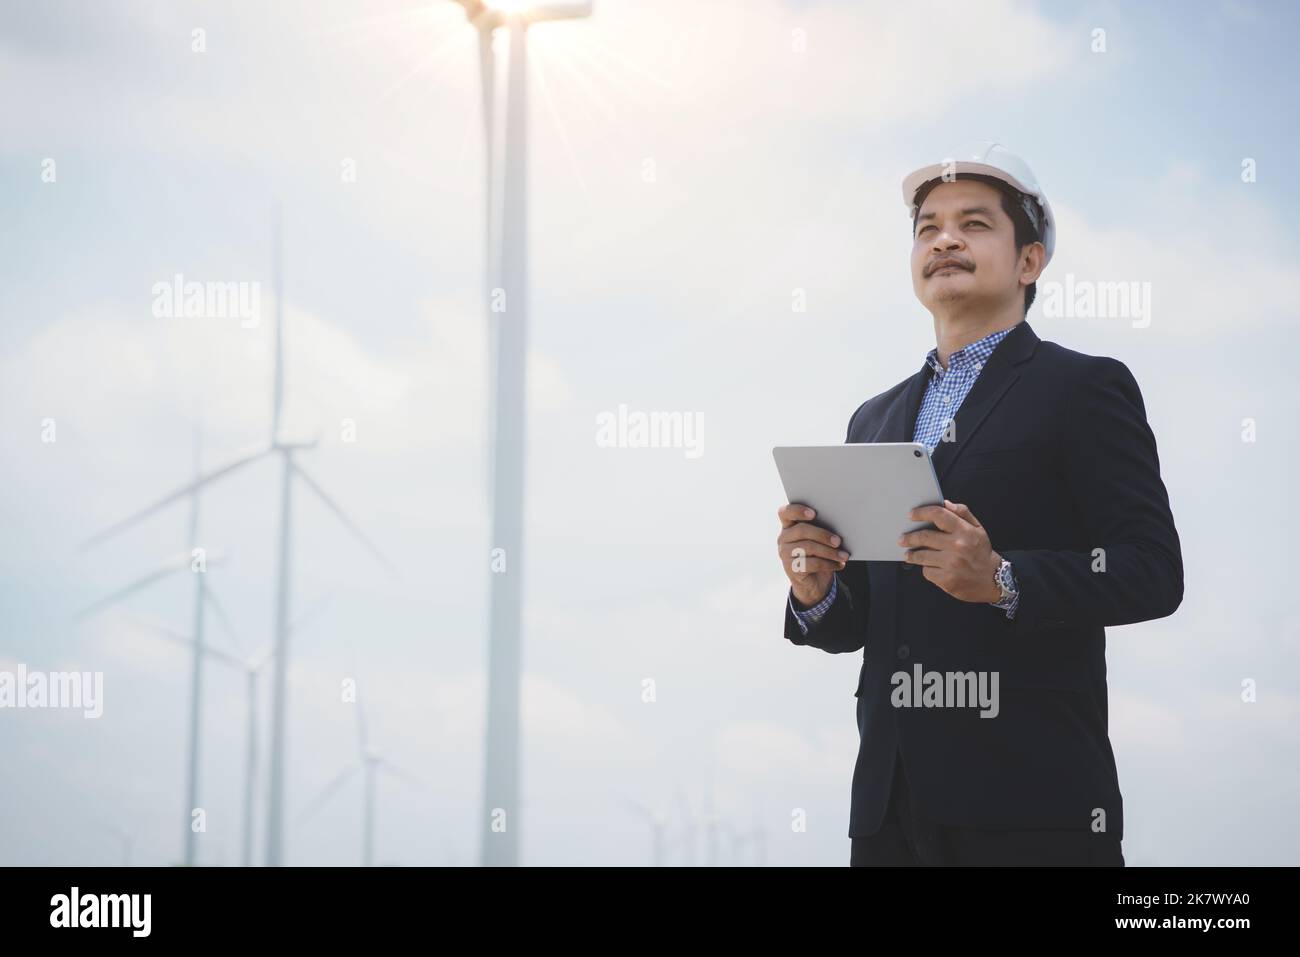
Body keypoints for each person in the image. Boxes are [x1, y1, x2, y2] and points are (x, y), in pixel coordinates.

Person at [775, 142, 1183, 866]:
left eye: (974, 223)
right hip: (890, 811)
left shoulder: (1083, 389)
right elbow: (861, 623)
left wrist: (1003, 578)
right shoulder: (873, 419)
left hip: (1033, 802)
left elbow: (1153, 570)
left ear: (1030, 262)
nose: (944, 240)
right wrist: (816, 589)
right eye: (927, 227)